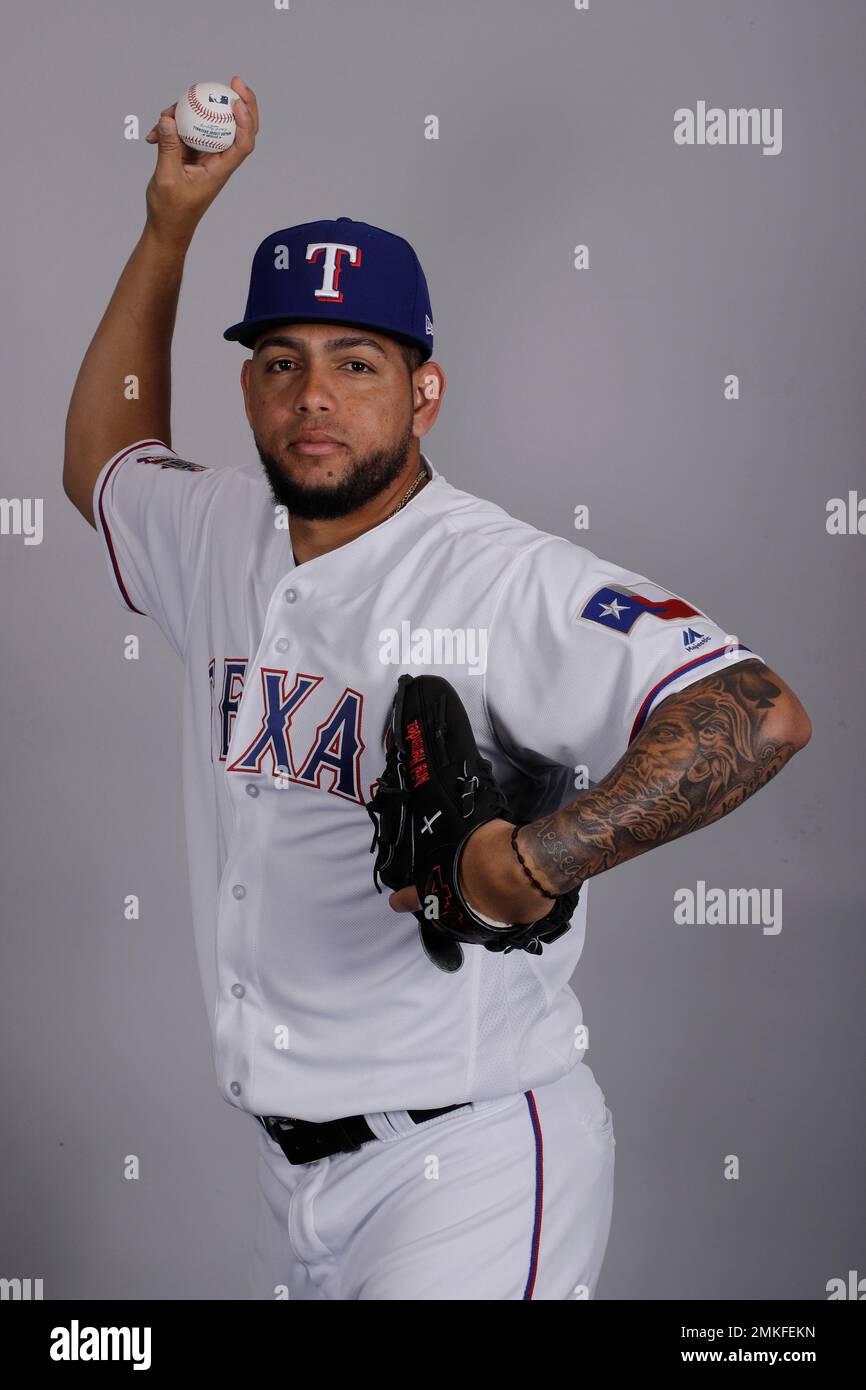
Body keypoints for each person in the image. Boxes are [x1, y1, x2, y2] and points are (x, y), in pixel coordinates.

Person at [63, 76, 812, 1301]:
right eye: (280, 360)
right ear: (248, 387)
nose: (313, 394)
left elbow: (754, 707)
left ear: (424, 392)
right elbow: (103, 458)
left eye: (356, 363)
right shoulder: (215, 532)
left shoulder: (501, 578)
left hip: (466, 1162)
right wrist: (168, 230)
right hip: (287, 1178)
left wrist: (534, 862)